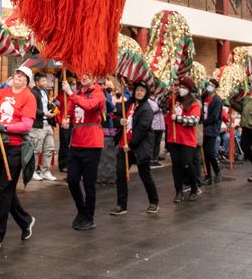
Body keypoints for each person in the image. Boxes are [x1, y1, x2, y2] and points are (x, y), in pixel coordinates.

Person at [0, 65, 37, 249]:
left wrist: (6, 128)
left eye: (23, 76)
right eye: (17, 73)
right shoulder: (1, 93)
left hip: (15, 148)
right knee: (2, 189)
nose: (19, 77)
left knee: (5, 191)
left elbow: (26, 125)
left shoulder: (29, 97)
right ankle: (25, 221)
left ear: (27, 81)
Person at [61, 73, 105, 230]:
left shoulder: (98, 93)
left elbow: (89, 106)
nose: (84, 76)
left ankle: (89, 217)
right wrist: (65, 120)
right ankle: (82, 210)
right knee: (72, 181)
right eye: (82, 74)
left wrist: (70, 93)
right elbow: (70, 113)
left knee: (89, 185)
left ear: (94, 77)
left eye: (88, 74)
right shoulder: (77, 94)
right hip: (76, 143)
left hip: (92, 144)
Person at [111, 82, 159, 214]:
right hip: (123, 145)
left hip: (138, 147)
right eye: (137, 90)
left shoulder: (147, 109)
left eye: (142, 91)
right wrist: (120, 120)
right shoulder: (128, 104)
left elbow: (142, 129)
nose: (139, 92)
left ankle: (154, 201)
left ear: (146, 93)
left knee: (145, 175)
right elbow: (116, 116)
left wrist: (131, 145)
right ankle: (121, 205)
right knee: (120, 175)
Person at [167, 77, 201, 202]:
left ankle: (194, 186)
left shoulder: (194, 103)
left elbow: (194, 120)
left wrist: (178, 118)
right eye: (180, 87)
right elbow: (161, 104)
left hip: (187, 139)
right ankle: (178, 191)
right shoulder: (174, 99)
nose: (181, 89)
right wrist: (168, 91)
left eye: (184, 88)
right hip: (173, 138)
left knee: (187, 163)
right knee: (176, 166)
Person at [28, 72, 56, 181]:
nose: (45, 82)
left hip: (47, 123)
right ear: (37, 81)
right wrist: (44, 113)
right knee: (36, 150)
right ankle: (33, 171)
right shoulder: (33, 93)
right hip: (37, 125)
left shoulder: (44, 91)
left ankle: (45, 171)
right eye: (43, 81)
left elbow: (45, 106)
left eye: (46, 80)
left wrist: (52, 105)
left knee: (49, 148)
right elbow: (32, 109)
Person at [200, 79, 223, 185]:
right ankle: (208, 176)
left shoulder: (217, 100)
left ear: (215, 88)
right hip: (203, 130)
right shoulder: (204, 98)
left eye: (212, 85)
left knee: (210, 153)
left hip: (211, 129)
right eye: (208, 84)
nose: (209, 86)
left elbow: (214, 116)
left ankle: (217, 171)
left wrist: (203, 123)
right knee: (205, 154)